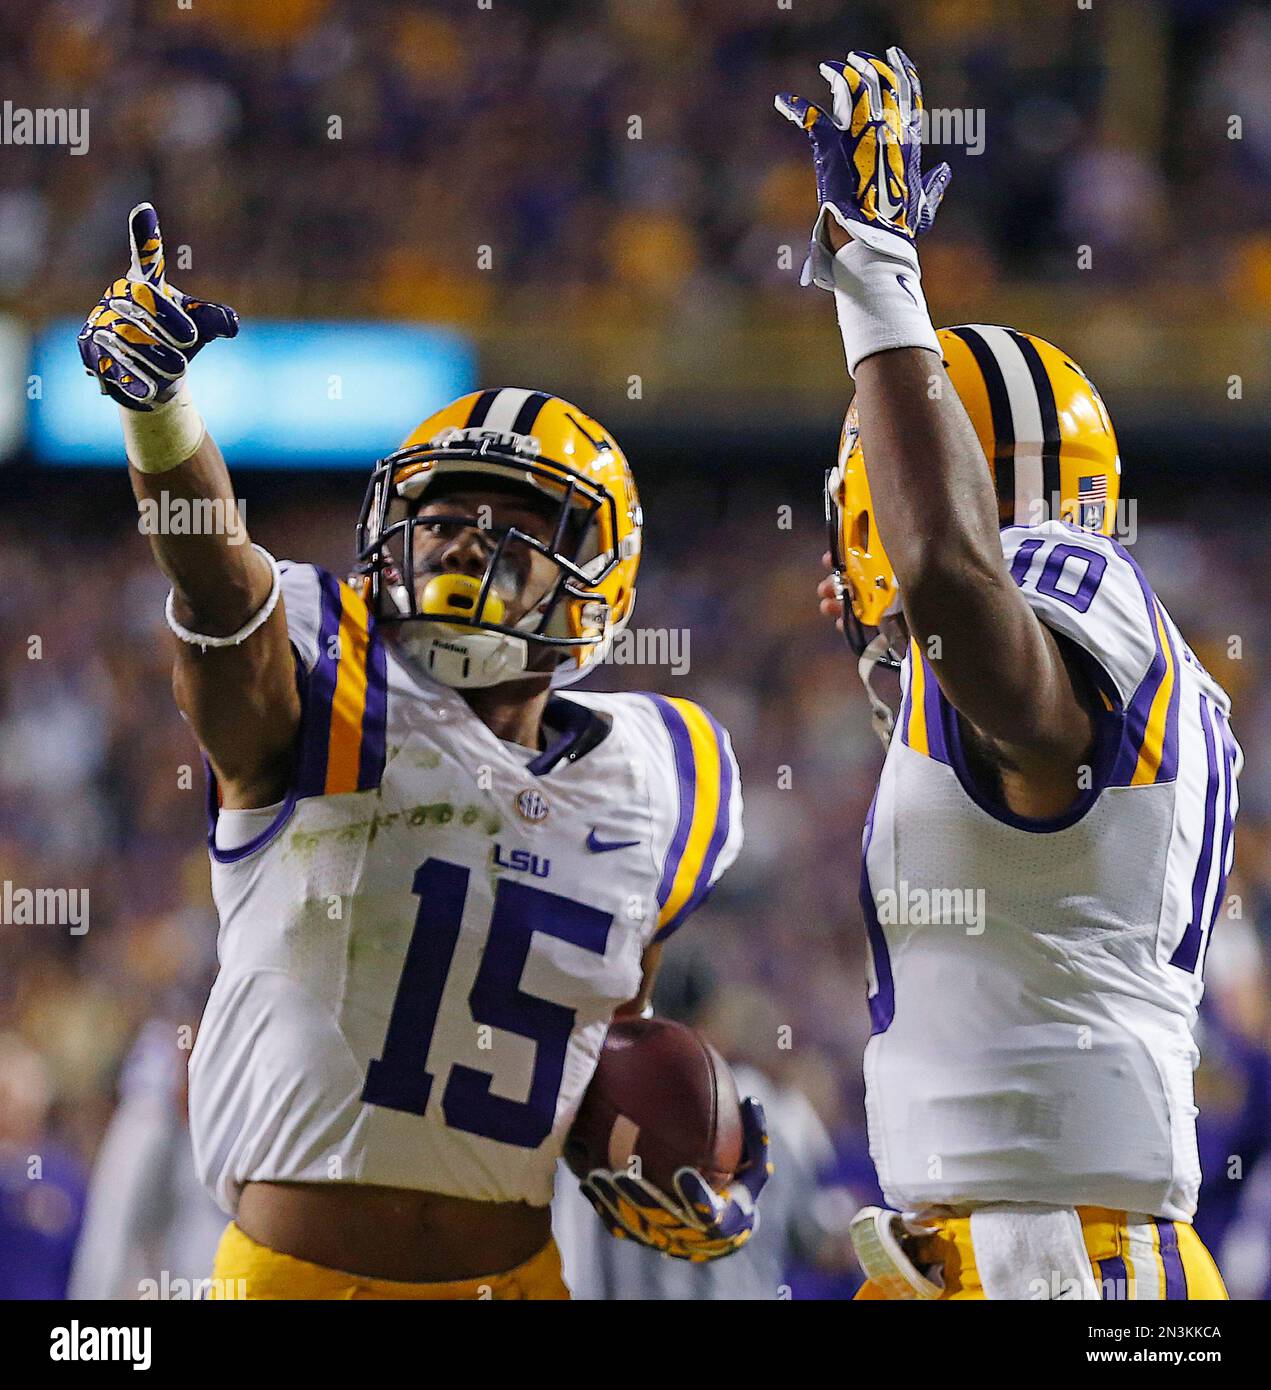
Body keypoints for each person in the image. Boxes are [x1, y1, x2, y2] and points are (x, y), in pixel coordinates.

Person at [76, 204, 767, 1299]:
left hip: (522, 1279)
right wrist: (160, 414)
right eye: (441, 512)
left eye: (513, 517)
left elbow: (610, 1022)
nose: (459, 538)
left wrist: (669, 1147)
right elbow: (214, 579)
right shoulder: (321, 678)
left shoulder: (666, 771)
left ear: (599, 576)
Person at [777, 46, 1238, 1300]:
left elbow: (951, 589)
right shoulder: (1123, 647)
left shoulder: (1057, 588)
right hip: (1021, 1243)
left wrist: (873, 274)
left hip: (1051, 1259)